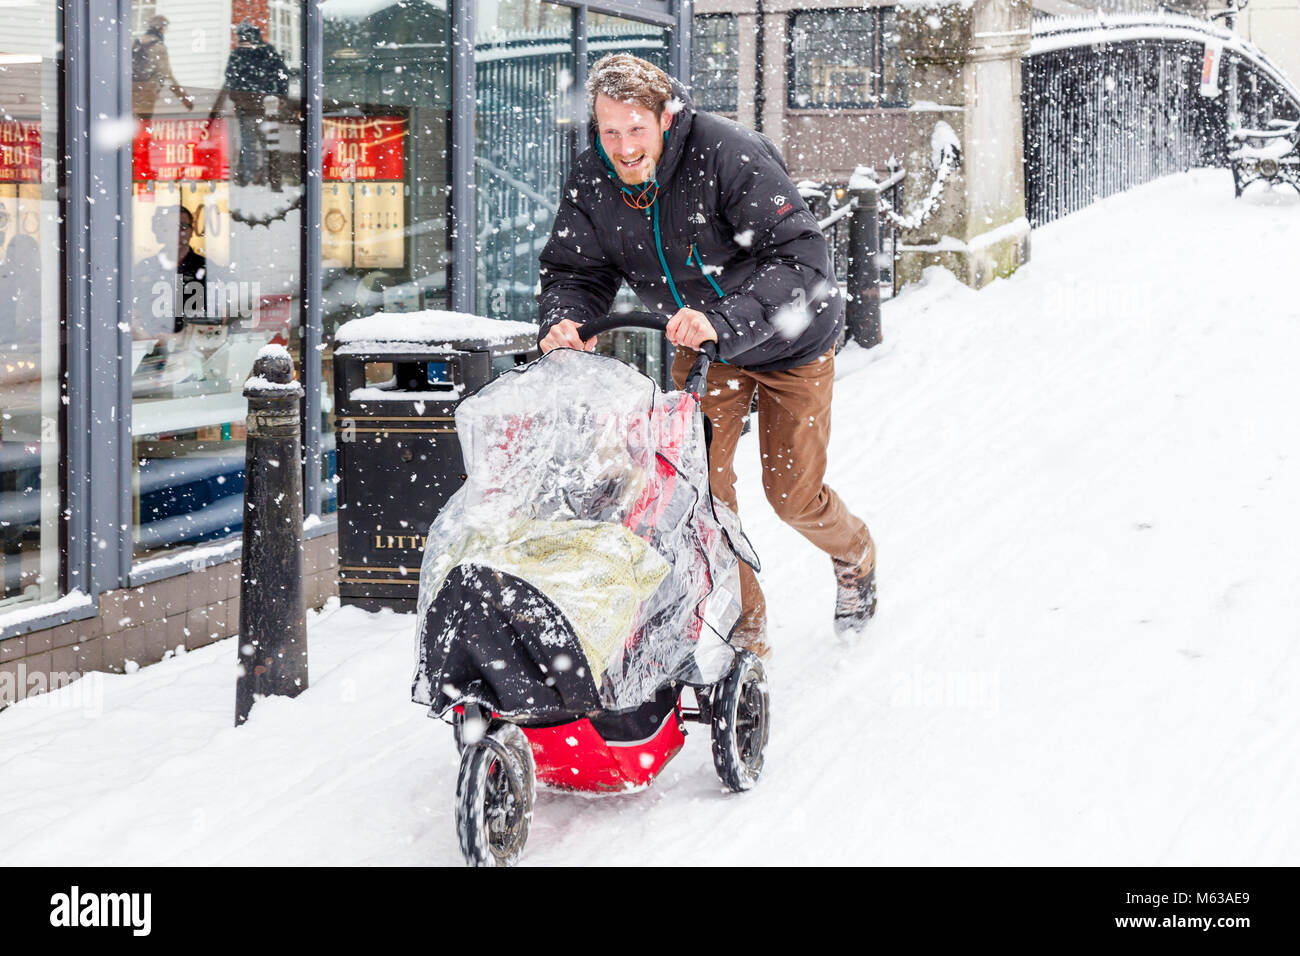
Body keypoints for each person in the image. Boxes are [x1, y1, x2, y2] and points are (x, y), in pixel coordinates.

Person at [536, 53, 876, 658]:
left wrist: (724, 320)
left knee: (791, 494)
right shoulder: (593, 178)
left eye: (635, 128)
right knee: (700, 494)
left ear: (666, 118)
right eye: (608, 131)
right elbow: (575, 267)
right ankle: (748, 633)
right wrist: (568, 319)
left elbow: (802, 259)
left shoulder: (726, 154)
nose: (623, 147)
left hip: (789, 340)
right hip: (699, 348)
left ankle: (855, 553)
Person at [208, 21, 290, 189]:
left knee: (249, 144)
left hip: (246, 106)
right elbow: (282, 74)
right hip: (267, 106)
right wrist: (281, 95)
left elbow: (230, 78)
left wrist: (235, 97)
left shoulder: (238, 54)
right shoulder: (268, 52)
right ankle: (269, 179)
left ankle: (252, 178)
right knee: (268, 144)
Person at [132, 15, 194, 121]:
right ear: (161, 29)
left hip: (130, 94)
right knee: (142, 129)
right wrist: (185, 99)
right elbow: (168, 77)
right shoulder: (159, 47)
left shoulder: (135, 43)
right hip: (146, 96)